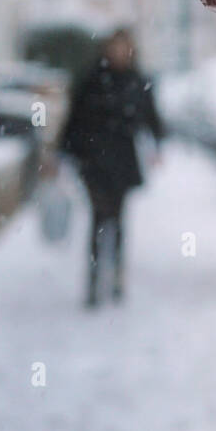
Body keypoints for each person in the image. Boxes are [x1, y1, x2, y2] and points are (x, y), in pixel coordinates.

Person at [58, 27, 164, 306]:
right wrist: (60, 154)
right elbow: (73, 120)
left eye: (123, 47)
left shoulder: (137, 80)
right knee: (98, 217)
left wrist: (157, 146)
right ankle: (94, 279)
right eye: (114, 47)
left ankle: (116, 274)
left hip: (122, 160)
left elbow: (152, 118)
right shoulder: (91, 79)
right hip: (92, 160)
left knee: (118, 219)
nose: (118, 52)